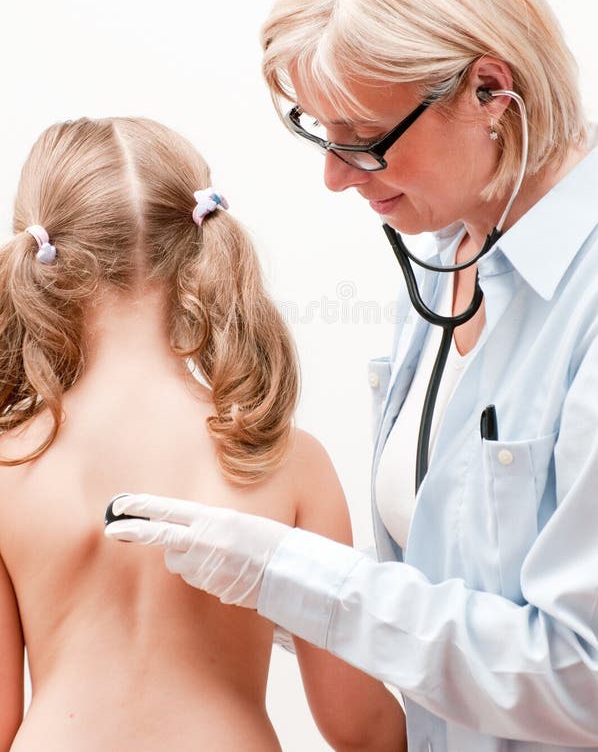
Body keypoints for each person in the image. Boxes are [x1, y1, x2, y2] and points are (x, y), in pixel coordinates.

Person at [106, 0, 598, 751]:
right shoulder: (452, 256)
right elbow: (440, 591)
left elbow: (578, 676)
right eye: (319, 135)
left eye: (365, 139)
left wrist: (294, 576)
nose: (336, 178)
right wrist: (260, 576)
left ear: (489, 89)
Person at [0, 116, 406, 751]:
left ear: (42, 251)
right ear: (195, 241)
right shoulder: (285, 459)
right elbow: (359, 727)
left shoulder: (8, 466)